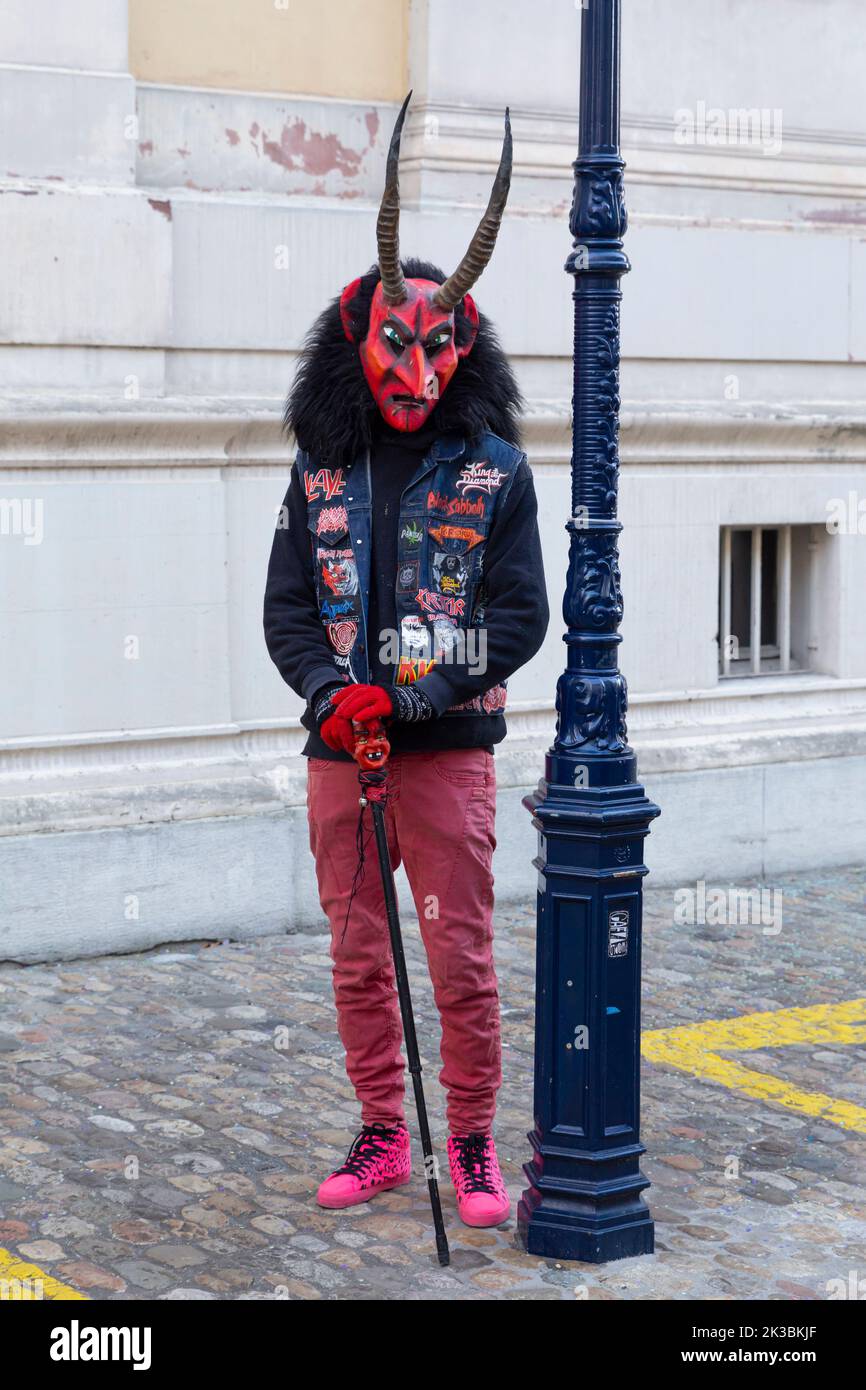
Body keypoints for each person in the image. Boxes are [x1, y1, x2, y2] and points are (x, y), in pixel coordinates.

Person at [264, 95, 548, 1228]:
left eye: (438, 345)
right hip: (343, 755)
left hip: (442, 757)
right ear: (356, 331)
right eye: (396, 341)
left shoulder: (493, 472)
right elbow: (287, 612)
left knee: (459, 958)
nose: (416, 366)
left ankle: (471, 1144)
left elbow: (521, 616)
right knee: (357, 956)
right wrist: (335, 699)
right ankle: (384, 1129)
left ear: (462, 348)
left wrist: (420, 693)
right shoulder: (320, 468)